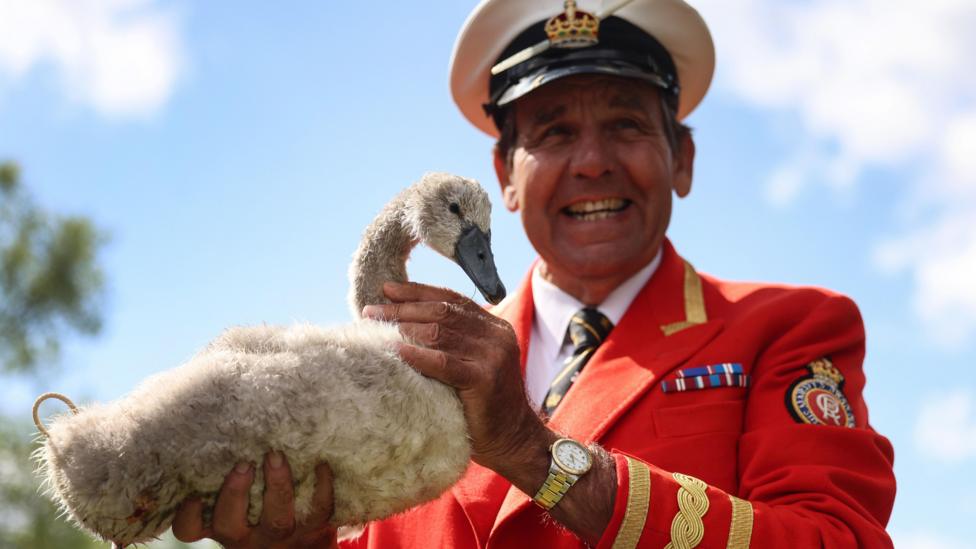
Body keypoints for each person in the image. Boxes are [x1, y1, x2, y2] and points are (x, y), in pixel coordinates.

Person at [173, 0, 896, 547]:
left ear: (682, 159)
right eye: (553, 132)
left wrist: (530, 447)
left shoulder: (791, 327)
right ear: (504, 177)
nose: (591, 162)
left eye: (627, 124)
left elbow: (837, 539)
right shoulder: (409, 361)